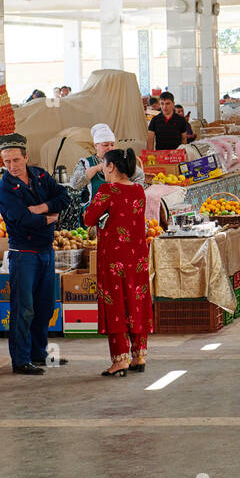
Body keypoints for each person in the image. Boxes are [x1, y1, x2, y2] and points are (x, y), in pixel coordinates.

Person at [0, 133, 71, 376]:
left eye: (16, 160)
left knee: (45, 305)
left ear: (26, 157)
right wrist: (49, 218)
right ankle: (21, 360)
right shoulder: (5, 189)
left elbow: (64, 197)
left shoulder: (39, 175)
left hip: (46, 252)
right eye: (6, 162)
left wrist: (41, 209)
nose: (12, 166)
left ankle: (39, 352)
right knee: (24, 308)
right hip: (23, 254)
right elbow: (22, 219)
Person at [82, 148, 152, 377]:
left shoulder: (107, 190)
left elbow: (88, 218)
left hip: (113, 258)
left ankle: (119, 360)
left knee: (115, 306)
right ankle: (138, 355)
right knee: (136, 302)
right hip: (138, 257)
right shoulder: (139, 190)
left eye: (103, 163)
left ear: (110, 166)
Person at [69, 122, 124, 207]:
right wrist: (96, 168)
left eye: (112, 145)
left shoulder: (120, 161)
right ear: (96, 146)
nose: (110, 148)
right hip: (93, 211)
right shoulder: (86, 163)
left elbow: (137, 178)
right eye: (105, 145)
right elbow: (75, 184)